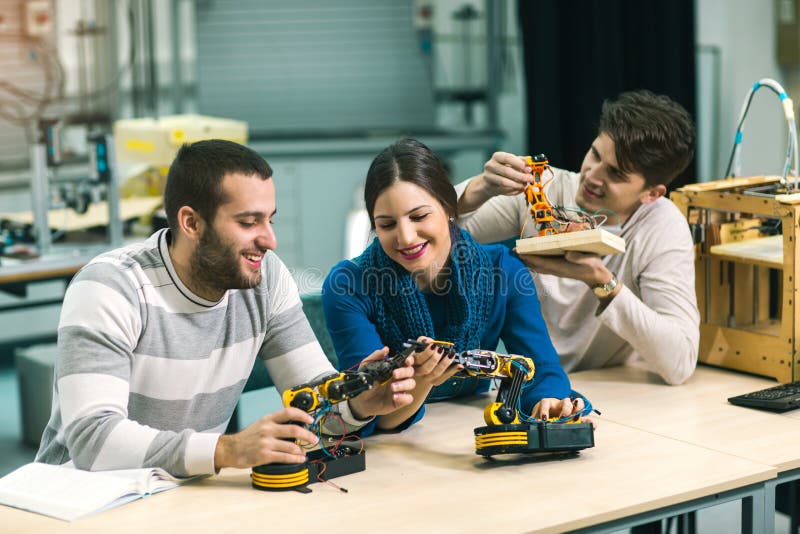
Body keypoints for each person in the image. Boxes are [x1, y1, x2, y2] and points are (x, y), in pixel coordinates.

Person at [36, 139, 416, 477]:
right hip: (80, 502)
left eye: (270, 219)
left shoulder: (266, 278)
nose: (270, 240)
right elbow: (93, 441)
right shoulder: (110, 286)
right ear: (191, 223)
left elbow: (315, 404)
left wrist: (358, 404)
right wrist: (227, 449)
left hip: (181, 493)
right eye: (249, 222)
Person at [322, 138, 581, 436]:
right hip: (394, 450)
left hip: (464, 430)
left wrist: (549, 400)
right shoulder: (347, 285)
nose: (405, 237)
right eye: (387, 225)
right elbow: (370, 411)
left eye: (419, 216)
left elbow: (540, 369)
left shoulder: (503, 272)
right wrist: (422, 380)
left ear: (449, 207)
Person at [455, 90, 699, 385]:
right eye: (595, 155)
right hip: (526, 381)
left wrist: (601, 282)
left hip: (603, 388)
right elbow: (427, 230)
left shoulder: (662, 226)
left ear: (652, 193)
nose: (593, 176)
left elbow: (680, 362)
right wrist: (480, 188)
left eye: (616, 173)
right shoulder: (545, 187)